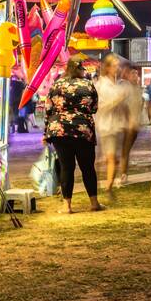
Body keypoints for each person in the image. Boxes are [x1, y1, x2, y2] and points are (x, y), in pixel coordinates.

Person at [45, 56, 103, 214]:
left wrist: (46, 132)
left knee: (66, 167)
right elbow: (94, 108)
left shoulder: (57, 84)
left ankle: (67, 206)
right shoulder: (87, 84)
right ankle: (94, 203)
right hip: (83, 130)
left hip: (60, 130)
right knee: (87, 167)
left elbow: (48, 109)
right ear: (79, 69)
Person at [94, 54, 134, 193]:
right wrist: (118, 100)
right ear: (108, 67)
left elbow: (122, 105)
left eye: (118, 66)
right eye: (115, 66)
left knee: (108, 158)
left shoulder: (117, 84)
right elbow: (100, 107)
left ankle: (106, 186)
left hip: (115, 126)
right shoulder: (101, 85)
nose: (118, 68)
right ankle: (107, 187)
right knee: (111, 158)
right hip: (104, 126)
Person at [118, 62, 145, 183]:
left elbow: (140, 104)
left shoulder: (137, 88)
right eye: (133, 73)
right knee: (125, 149)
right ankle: (123, 174)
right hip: (127, 124)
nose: (136, 76)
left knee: (126, 150)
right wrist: (129, 119)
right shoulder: (125, 86)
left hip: (135, 124)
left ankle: (123, 173)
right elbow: (123, 105)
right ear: (128, 75)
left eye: (137, 74)